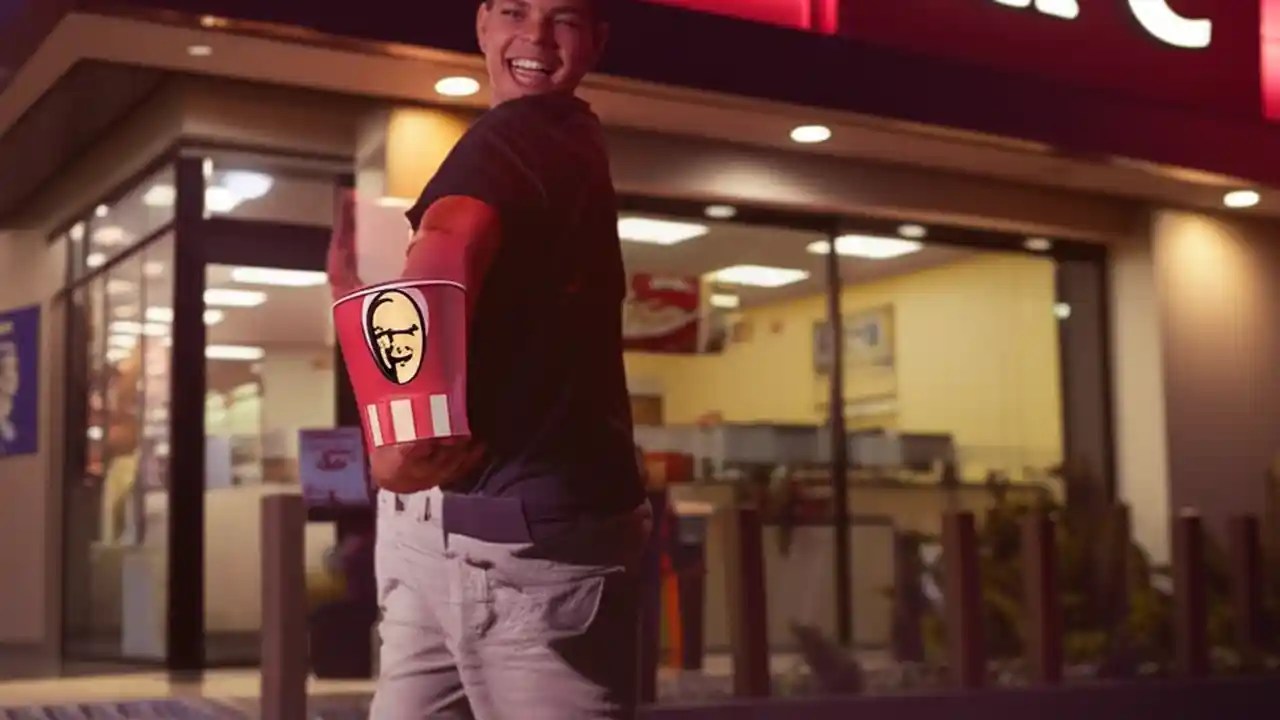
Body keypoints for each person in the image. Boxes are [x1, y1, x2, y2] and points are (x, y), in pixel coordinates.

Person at [327, 1, 651, 717]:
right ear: (481, 23)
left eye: (562, 18)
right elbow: (446, 260)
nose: (534, 36)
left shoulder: (521, 133)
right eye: (514, 9)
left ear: (596, 40)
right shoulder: (560, 137)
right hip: (500, 538)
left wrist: (398, 436)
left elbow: (448, 249)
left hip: (504, 546)